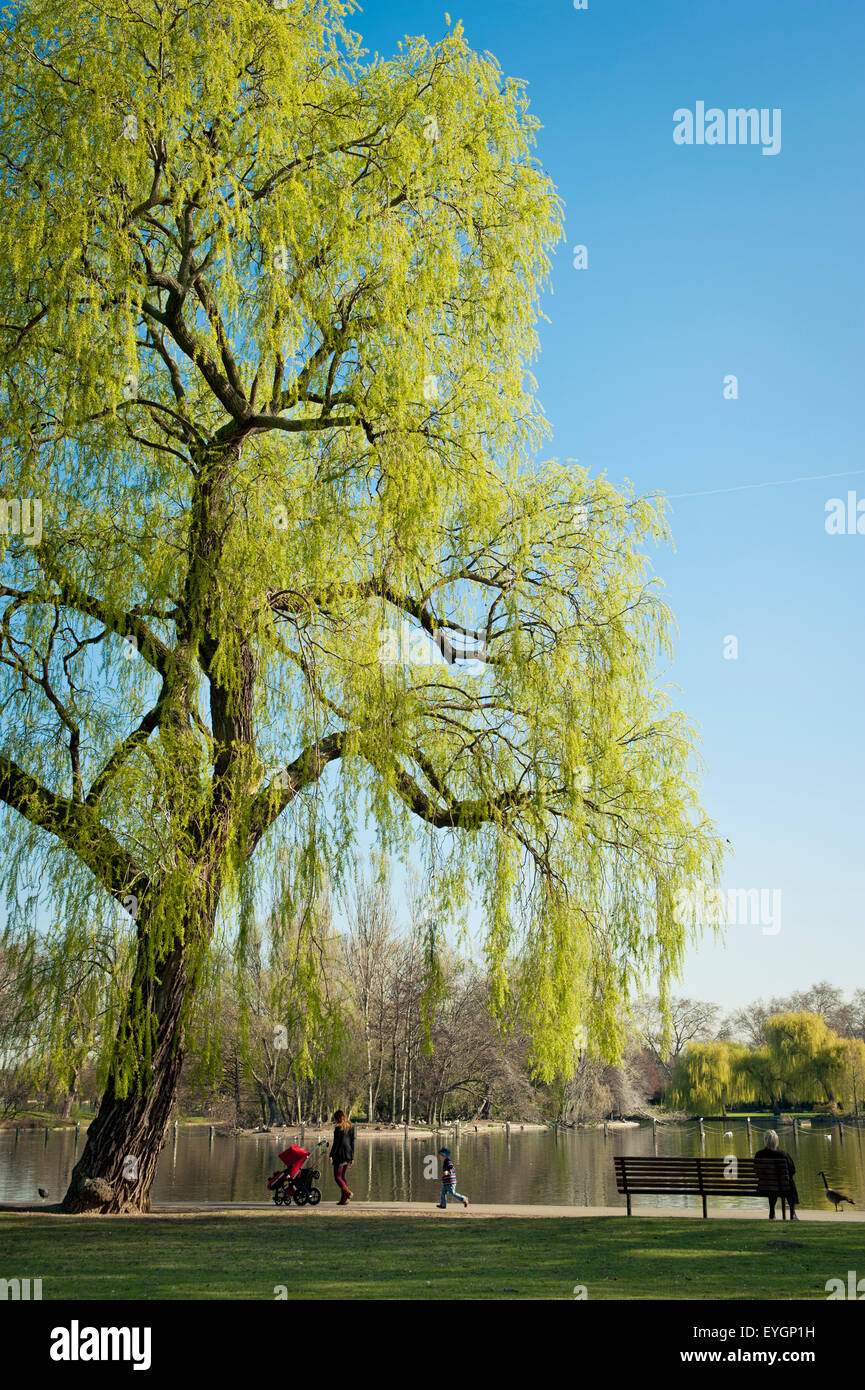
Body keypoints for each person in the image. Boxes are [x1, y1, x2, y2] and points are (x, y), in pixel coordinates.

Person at [754, 1129, 799, 1220]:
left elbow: (756, 1171)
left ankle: (772, 1212)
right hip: (783, 1187)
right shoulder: (783, 1154)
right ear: (776, 1141)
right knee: (790, 1183)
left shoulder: (759, 1154)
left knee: (772, 1185)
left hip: (764, 1187)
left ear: (765, 1140)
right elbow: (792, 1170)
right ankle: (792, 1213)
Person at [330, 1109, 356, 1205]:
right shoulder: (351, 1127)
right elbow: (352, 1143)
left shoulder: (338, 1128)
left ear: (337, 1118)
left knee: (337, 1177)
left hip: (340, 1155)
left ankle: (348, 1192)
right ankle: (344, 1199)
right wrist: (352, 1157)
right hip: (348, 1154)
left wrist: (331, 1155)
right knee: (342, 1177)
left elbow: (336, 1144)